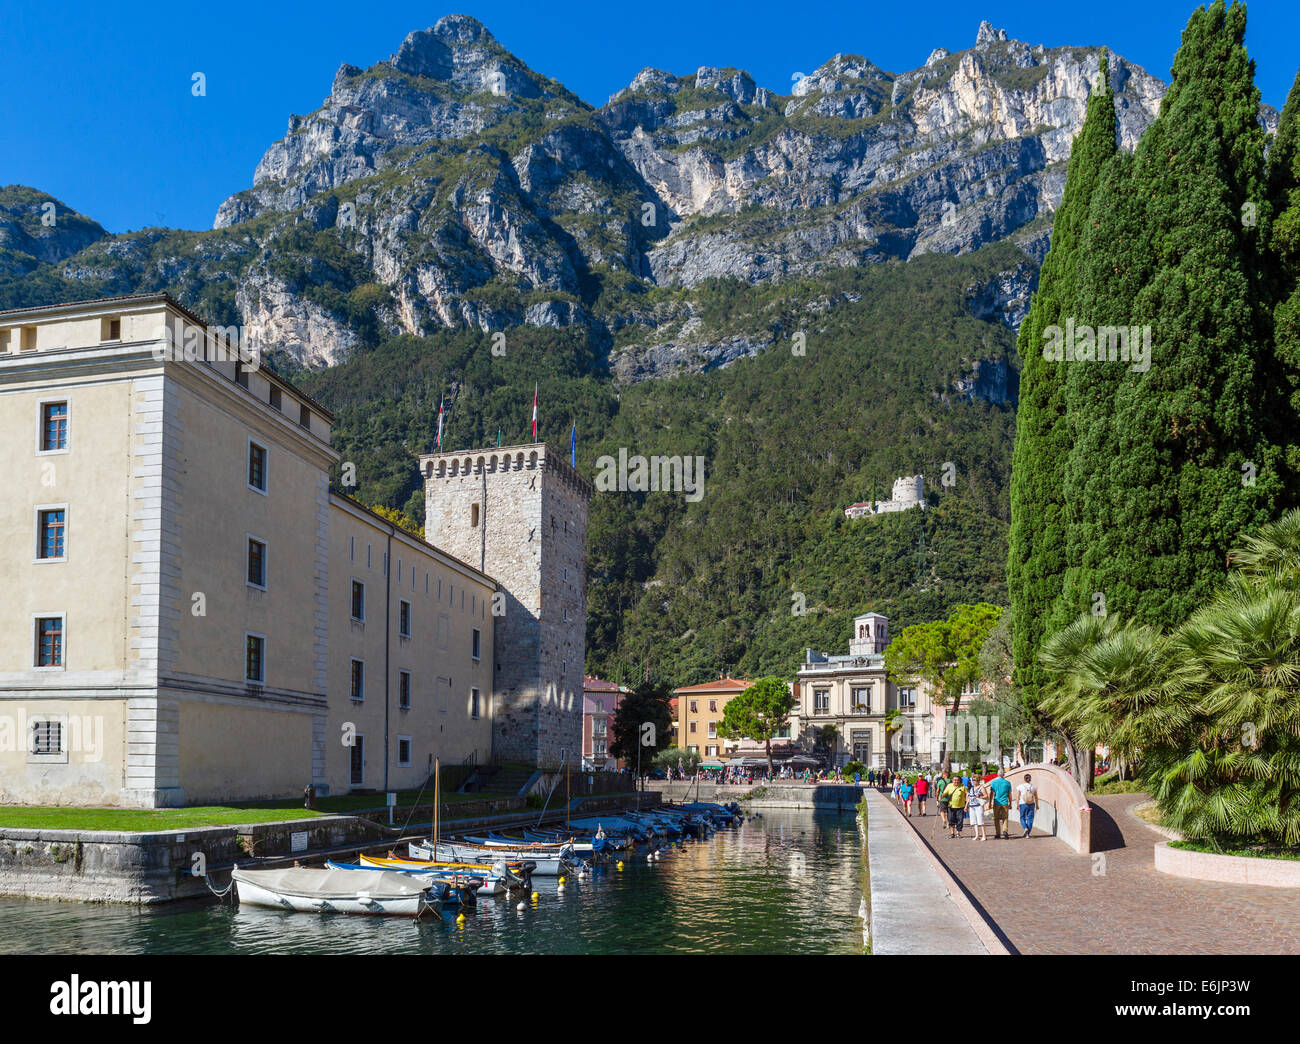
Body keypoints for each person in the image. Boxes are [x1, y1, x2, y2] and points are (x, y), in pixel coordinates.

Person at [989, 769, 1012, 839]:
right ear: (1004, 774)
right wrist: (1010, 803)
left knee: (996, 818)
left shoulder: (993, 782)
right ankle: (1005, 830)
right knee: (1005, 818)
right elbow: (1009, 794)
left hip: (996, 802)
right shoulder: (1007, 783)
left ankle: (998, 833)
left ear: (997, 774)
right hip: (1005, 802)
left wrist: (990, 802)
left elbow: (991, 793)